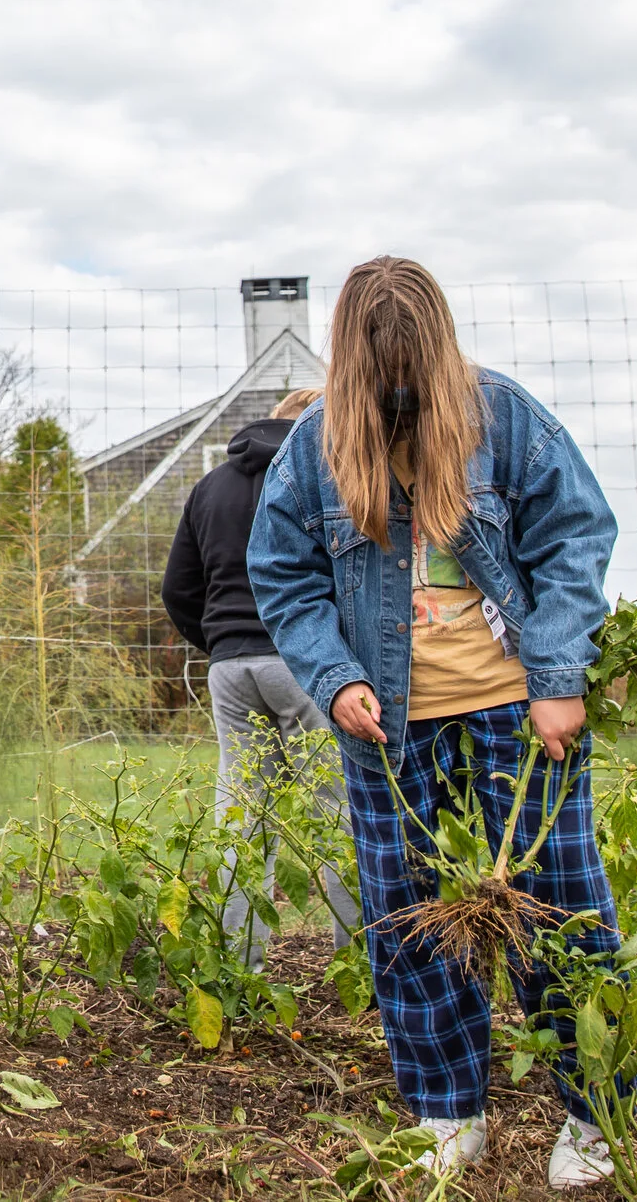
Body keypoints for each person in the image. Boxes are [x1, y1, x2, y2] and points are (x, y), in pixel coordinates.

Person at [248, 257, 622, 1189]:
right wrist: (334, 680)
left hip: (514, 711)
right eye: (385, 385)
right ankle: (451, 1111)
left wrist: (559, 676)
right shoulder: (314, 447)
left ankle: (593, 1110)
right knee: (410, 921)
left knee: (561, 911)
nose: (401, 400)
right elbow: (283, 574)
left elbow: (576, 535)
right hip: (389, 728)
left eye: (414, 378)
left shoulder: (507, 419)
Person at [160, 386, 358, 968]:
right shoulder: (322, 478)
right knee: (336, 808)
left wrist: (221, 642)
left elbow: (177, 589)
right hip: (306, 664)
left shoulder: (210, 487)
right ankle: (360, 965)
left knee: (243, 813)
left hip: (230, 667)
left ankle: (237, 966)